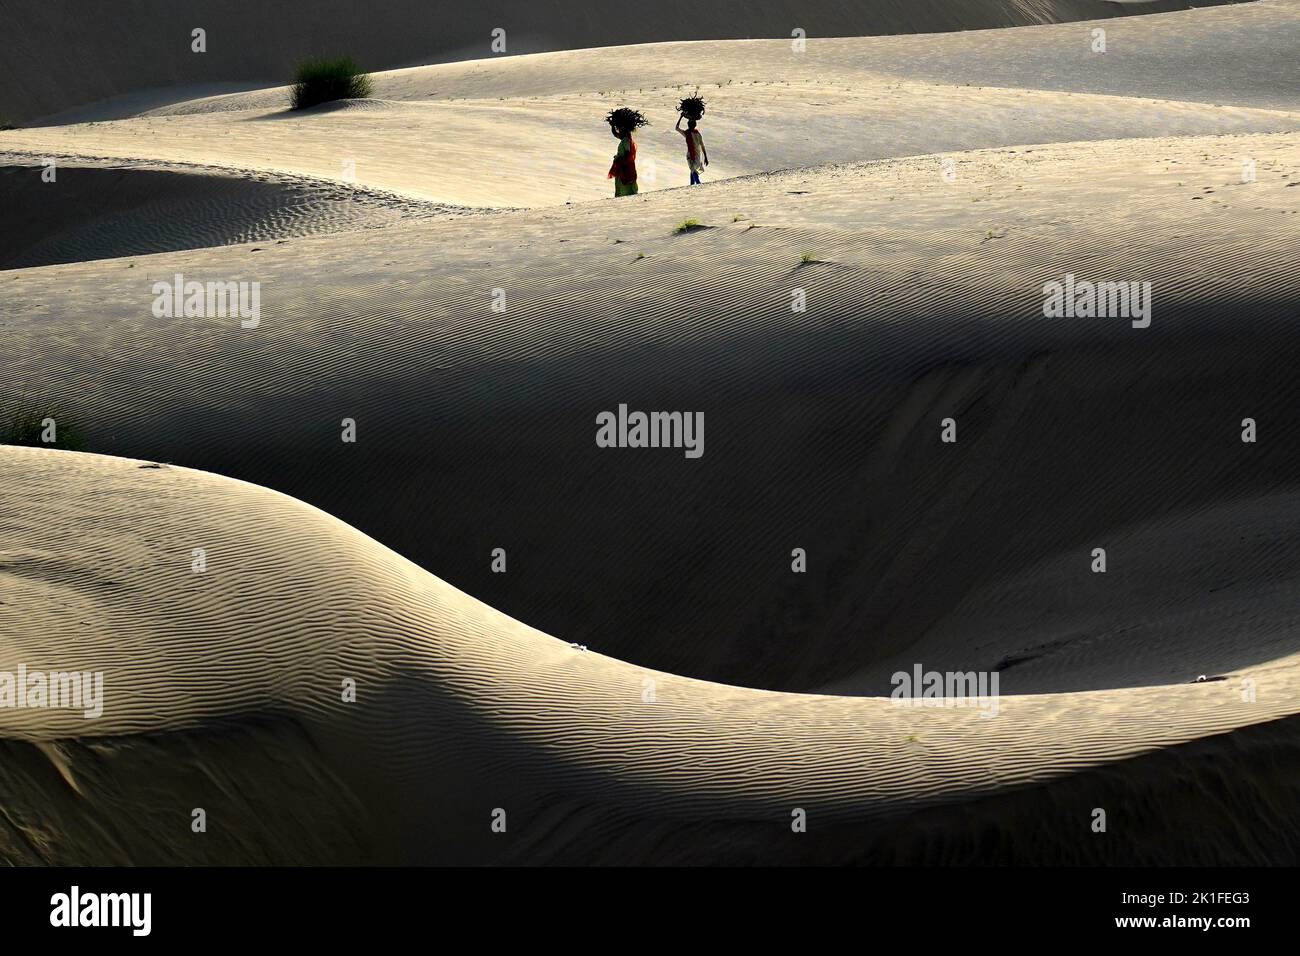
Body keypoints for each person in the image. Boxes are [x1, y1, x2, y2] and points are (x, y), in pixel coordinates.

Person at [608, 122, 639, 197]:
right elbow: (616, 134)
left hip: (625, 166)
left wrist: (620, 160)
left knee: (624, 182)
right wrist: (612, 126)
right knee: (621, 181)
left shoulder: (626, 140)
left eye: (621, 130)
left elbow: (628, 154)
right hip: (622, 165)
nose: (619, 132)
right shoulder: (626, 139)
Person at [676, 113, 708, 185]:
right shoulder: (687, 133)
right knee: (693, 169)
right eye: (690, 124)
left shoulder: (696, 134)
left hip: (696, 155)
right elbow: (677, 128)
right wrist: (680, 117)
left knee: (693, 170)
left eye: (692, 125)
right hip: (690, 155)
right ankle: (698, 184)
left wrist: (706, 157)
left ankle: (693, 185)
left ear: (694, 125)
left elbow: (702, 145)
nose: (690, 126)